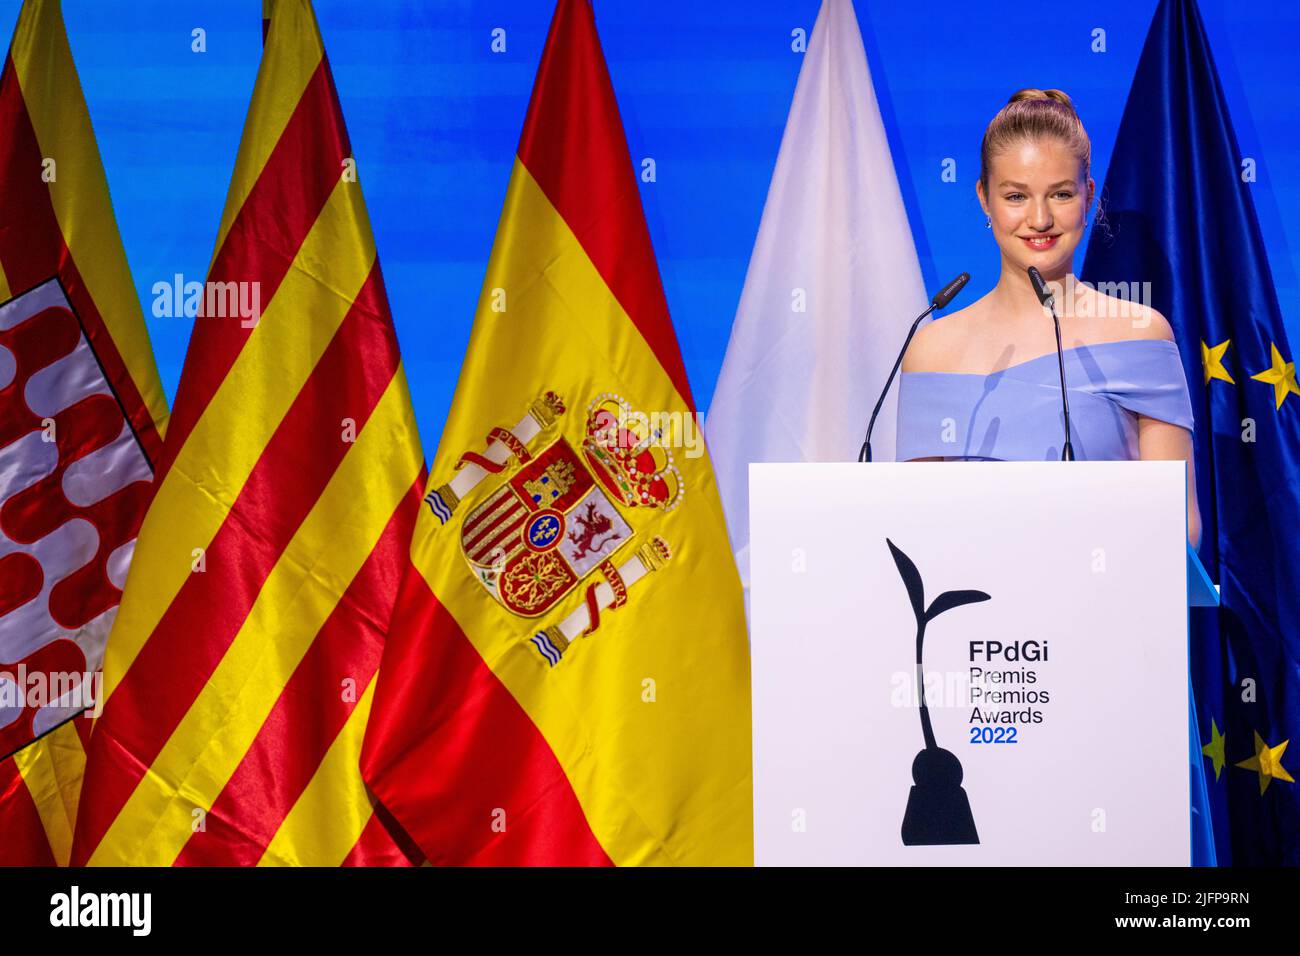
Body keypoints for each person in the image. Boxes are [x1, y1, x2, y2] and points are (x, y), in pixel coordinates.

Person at [896, 88, 1201, 549]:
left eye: (1060, 194)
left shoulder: (1141, 333)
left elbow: (1179, 529)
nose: (1039, 219)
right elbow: (914, 529)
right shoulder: (933, 348)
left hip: (1107, 609)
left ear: (1088, 195)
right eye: (1016, 196)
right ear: (985, 198)